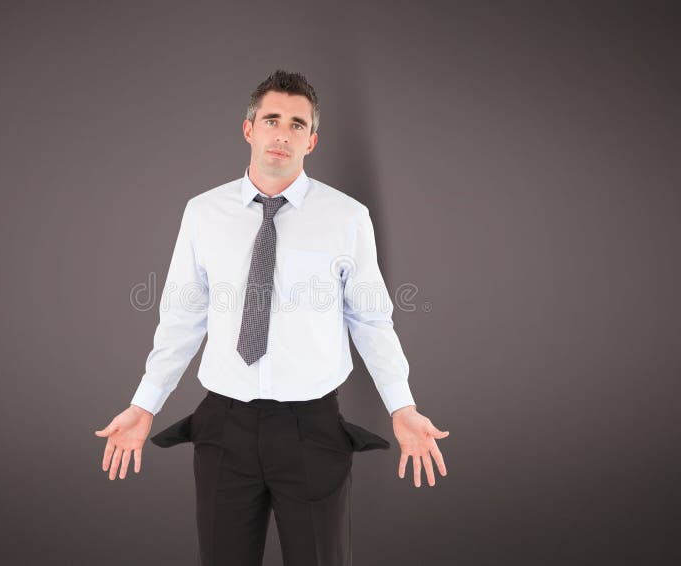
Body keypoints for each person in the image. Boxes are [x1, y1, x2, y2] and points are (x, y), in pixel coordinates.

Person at [95, 69, 449, 566]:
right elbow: (182, 318)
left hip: (311, 430)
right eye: (272, 119)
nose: (283, 133)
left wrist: (402, 407)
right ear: (249, 129)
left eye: (298, 125)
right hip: (224, 426)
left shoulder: (347, 218)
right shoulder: (202, 213)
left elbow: (370, 321)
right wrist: (145, 403)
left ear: (312, 140)